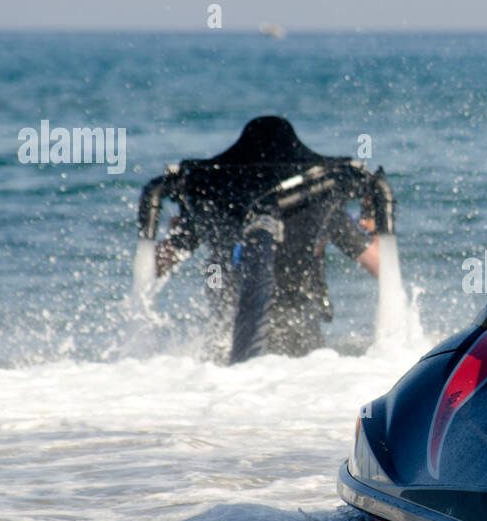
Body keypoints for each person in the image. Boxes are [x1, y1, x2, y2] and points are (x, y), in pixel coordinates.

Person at [151, 116, 387, 359]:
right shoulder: (319, 202)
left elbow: (157, 265)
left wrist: (179, 231)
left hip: (228, 339)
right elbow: (381, 266)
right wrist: (370, 221)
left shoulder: (216, 205)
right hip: (301, 345)